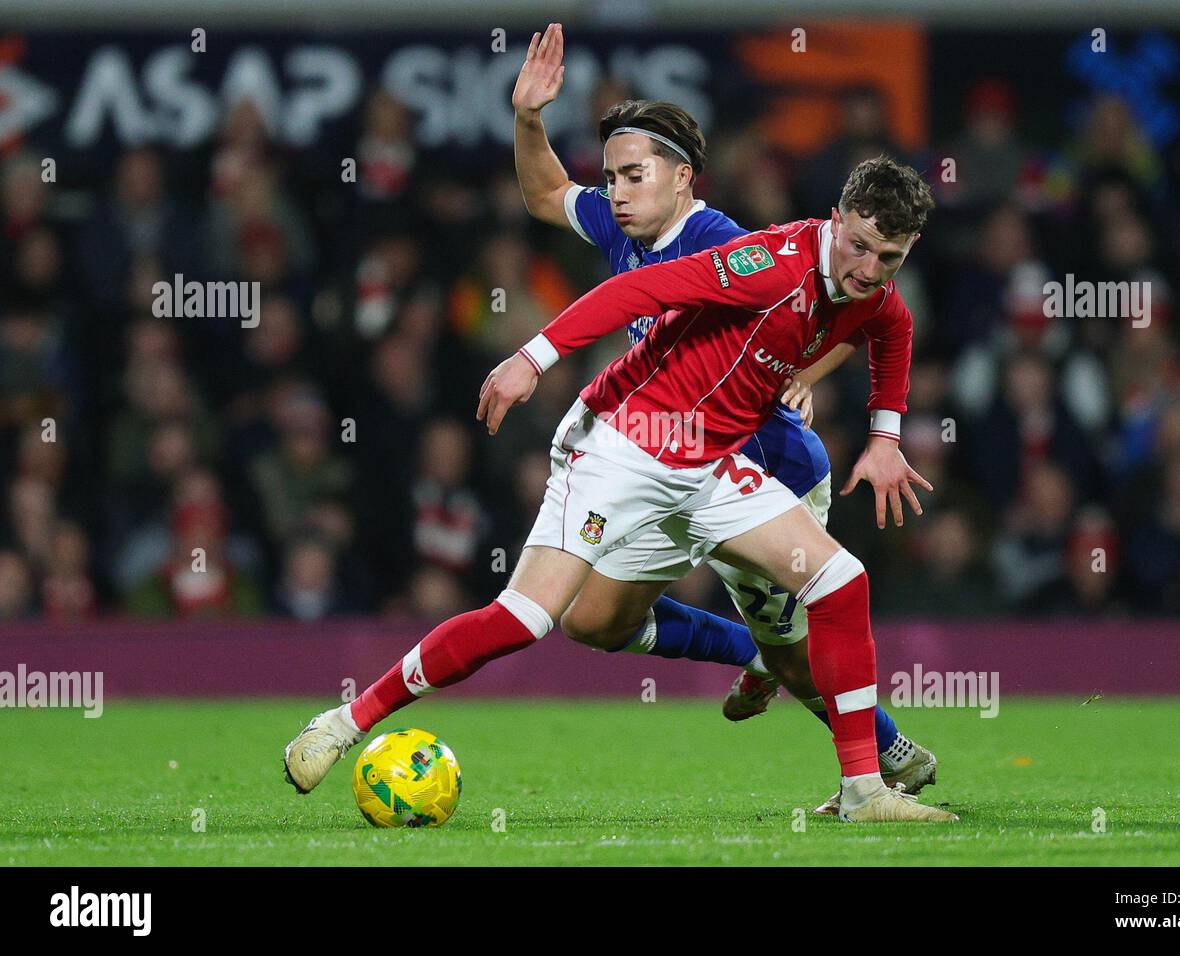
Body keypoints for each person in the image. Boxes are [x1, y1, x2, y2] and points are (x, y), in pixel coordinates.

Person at [284, 153, 956, 824]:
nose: (867, 269)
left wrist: (887, 437)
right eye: (859, 246)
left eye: (888, 257)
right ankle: (343, 722)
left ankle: (864, 791)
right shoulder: (769, 265)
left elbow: (891, 328)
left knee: (840, 583)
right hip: (624, 444)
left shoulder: (873, 291)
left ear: (909, 249)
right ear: (836, 220)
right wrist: (532, 358)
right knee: (528, 618)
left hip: (709, 464)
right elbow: (636, 293)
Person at [510, 23, 938, 813]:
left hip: (763, 466)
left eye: (631, 175)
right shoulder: (624, 224)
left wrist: (804, 375)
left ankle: (881, 758)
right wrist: (530, 118)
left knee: (803, 642)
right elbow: (541, 194)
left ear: (682, 179)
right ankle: (762, 658)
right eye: (612, 178)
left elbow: (849, 307)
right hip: (673, 458)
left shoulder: (726, 244)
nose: (615, 191)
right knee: (593, 620)